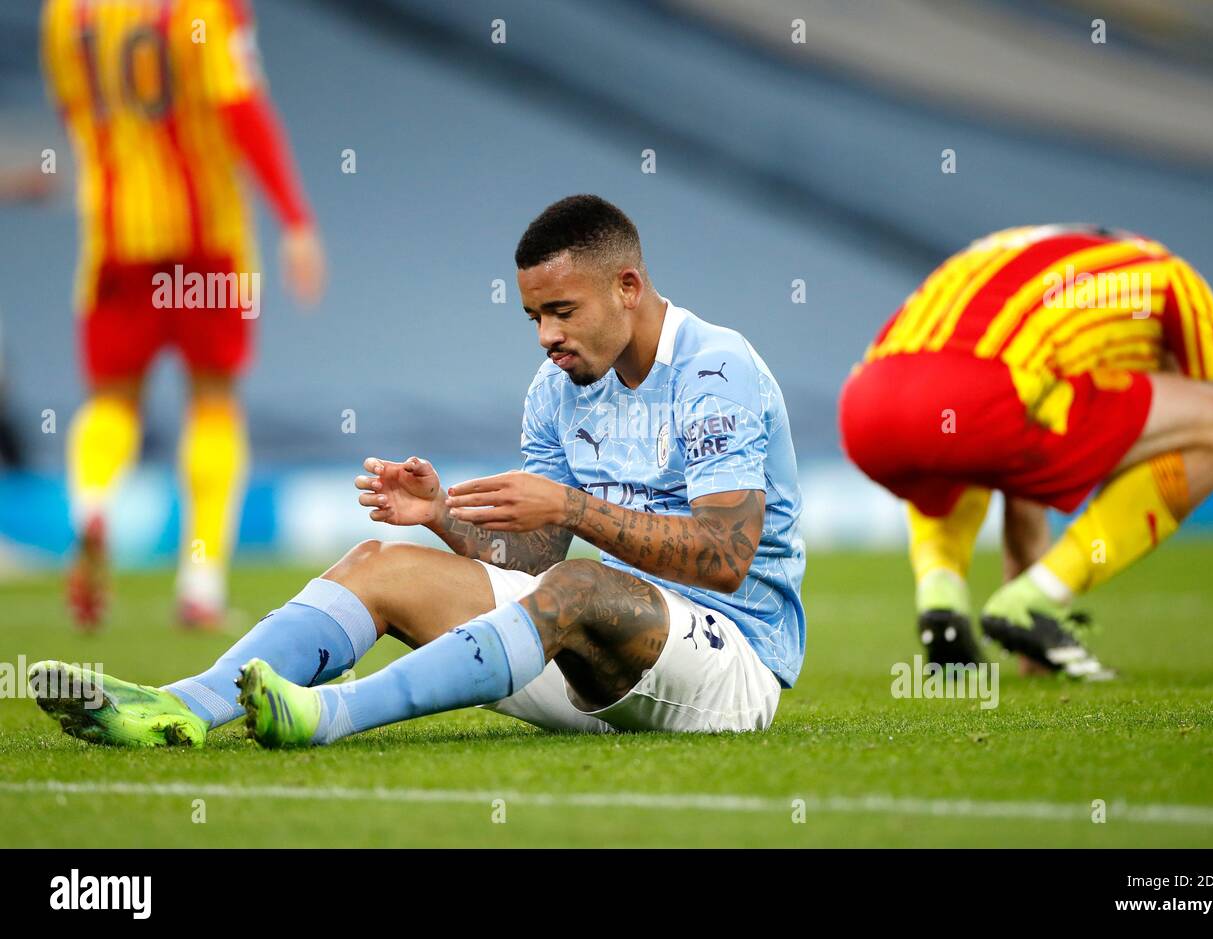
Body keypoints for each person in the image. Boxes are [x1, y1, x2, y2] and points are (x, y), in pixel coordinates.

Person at [30, 195, 806, 747]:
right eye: (533, 316)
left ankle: (329, 715)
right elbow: (537, 561)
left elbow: (726, 558)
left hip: (731, 666)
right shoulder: (559, 387)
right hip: (597, 658)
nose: (544, 335)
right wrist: (443, 517)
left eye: (561, 311)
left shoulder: (715, 370)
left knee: (580, 589)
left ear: (627, 287)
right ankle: (181, 707)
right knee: (381, 566)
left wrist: (572, 506)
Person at [839, 224, 1213, 677]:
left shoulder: (999, 247)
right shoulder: (1167, 272)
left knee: (974, 441)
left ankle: (942, 598)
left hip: (866, 406)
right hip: (986, 397)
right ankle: (1041, 599)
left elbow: (1016, 458)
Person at [41, 0, 324, 630]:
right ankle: (200, 584)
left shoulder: (66, 12)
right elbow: (240, 104)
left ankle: (91, 507)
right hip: (206, 241)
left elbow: (74, 115)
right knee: (213, 401)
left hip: (115, 241)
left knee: (111, 401)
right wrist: (295, 217)